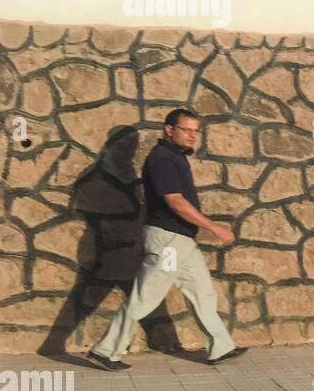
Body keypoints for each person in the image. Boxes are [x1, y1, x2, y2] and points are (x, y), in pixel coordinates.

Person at [86, 108, 247, 370]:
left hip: (181, 242)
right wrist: (214, 228)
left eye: (196, 131)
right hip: (170, 243)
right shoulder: (162, 158)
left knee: (203, 293)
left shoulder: (174, 157)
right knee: (145, 297)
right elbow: (175, 202)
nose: (193, 135)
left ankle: (221, 347)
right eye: (186, 130)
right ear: (169, 129)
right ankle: (105, 351)